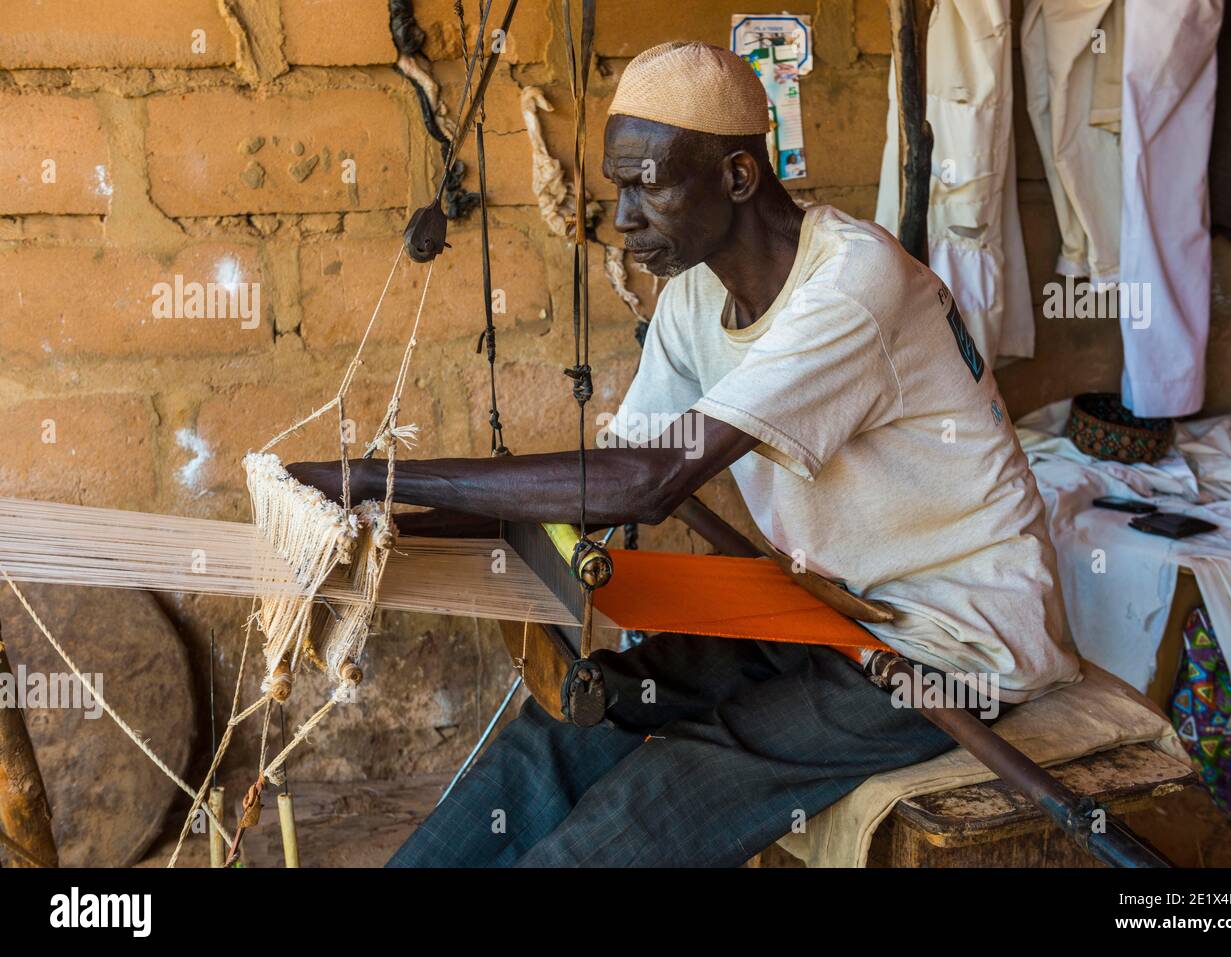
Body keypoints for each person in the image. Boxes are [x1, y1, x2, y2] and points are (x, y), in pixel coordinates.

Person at [288, 41, 1080, 867]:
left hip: (949, 639)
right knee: (566, 731)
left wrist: (369, 476)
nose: (624, 216)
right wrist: (382, 525)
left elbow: (644, 483)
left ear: (738, 177)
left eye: (649, 184)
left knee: (640, 811)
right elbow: (608, 478)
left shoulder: (852, 286)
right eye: (618, 185)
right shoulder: (696, 293)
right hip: (826, 609)